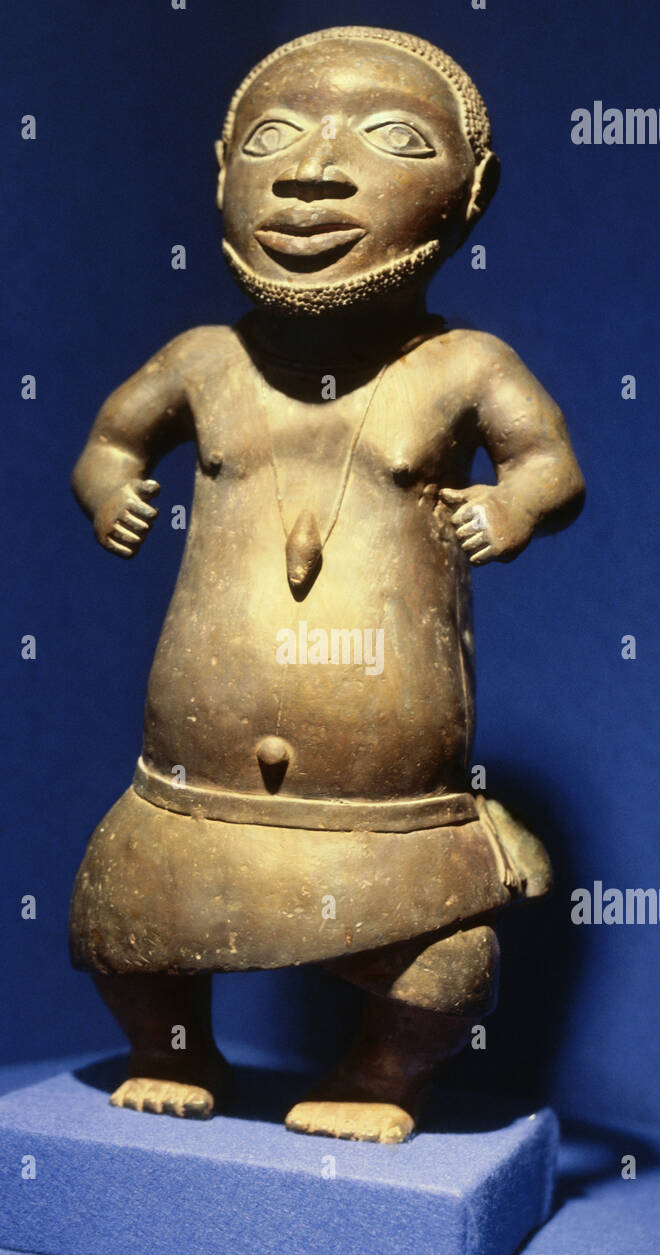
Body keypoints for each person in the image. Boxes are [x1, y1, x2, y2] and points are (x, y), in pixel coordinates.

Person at [69, 27, 585, 1142]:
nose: (313, 172)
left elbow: (552, 468)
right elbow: (110, 441)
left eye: (391, 138)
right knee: (121, 925)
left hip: (388, 817)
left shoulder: (464, 367)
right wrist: (110, 489)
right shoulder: (205, 361)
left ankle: (383, 1074)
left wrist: (511, 508)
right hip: (189, 791)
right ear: (223, 171)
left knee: (443, 966)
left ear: (471, 194)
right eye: (274, 138)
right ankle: (173, 1047)